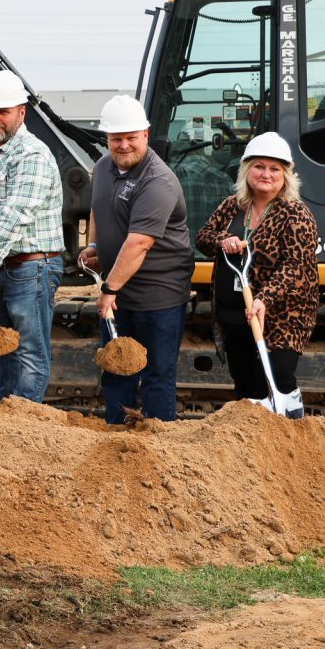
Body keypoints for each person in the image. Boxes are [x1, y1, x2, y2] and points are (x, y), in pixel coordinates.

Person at [80, 94, 193, 423]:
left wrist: (109, 288)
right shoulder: (102, 167)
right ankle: (117, 441)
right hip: (119, 293)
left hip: (157, 296)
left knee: (156, 375)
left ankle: (158, 447)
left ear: (145, 134)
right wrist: (95, 247)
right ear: (107, 139)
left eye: (131, 137)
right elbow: (98, 207)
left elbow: (139, 243)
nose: (124, 145)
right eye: (117, 138)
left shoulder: (157, 180)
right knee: (116, 368)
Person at [0, 70, 65, 404]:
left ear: (22, 113)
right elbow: (3, 204)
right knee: (1, 350)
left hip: (30, 270)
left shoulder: (31, 155)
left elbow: (17, 216)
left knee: (30, 354)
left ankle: (23, 427)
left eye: (2, 111)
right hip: (8, 267)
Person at [194, 132, 320, 403]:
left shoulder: (295, 213)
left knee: (277, 379)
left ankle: (285, 435)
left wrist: (264, 298)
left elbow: (296, 266)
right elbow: (203, 237)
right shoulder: (233, 206)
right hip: (234, 312)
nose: (266, 174)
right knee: (245, 385)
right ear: (246, 170)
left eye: (275, 168)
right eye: (259, 166)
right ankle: (250, 440)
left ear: (285, 175)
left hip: (280, 316)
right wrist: (222, 240)